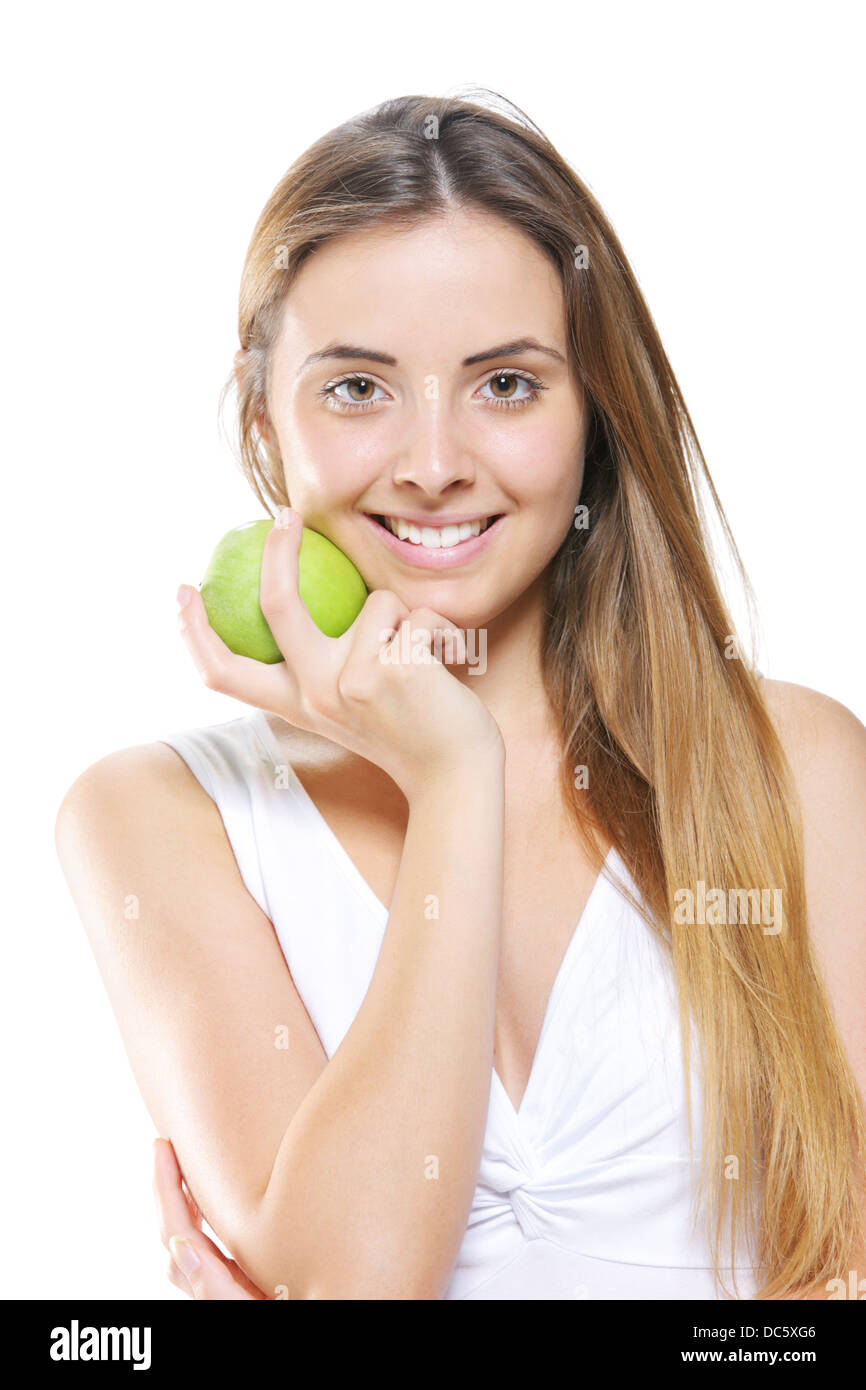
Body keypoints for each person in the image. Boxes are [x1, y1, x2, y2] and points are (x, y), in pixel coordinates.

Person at [55, 90, 866, 1301]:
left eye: (503, 384)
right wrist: (452, 779)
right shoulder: (158, 818)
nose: (433, 465)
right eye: (357, 388)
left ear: (593, 416)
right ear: (264, 422)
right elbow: (359, 1287)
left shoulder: (792, 764)